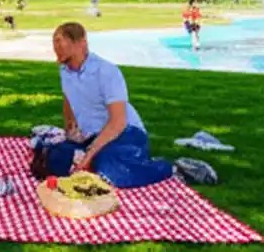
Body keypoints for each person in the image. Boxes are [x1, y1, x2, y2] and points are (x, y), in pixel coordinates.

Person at [42, 22, 173, 188]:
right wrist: (71, 131)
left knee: (106, 166)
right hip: (92, 136)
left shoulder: (106, 72)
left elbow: (118, 122)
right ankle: (94, 165)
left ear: (80, 43)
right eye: (54, 41)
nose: (55, 47)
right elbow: (68, 99)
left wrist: (89, 154)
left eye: (60, 41)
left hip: (126, 133)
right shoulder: (64, 71)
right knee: (55, 158)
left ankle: (169, 168)